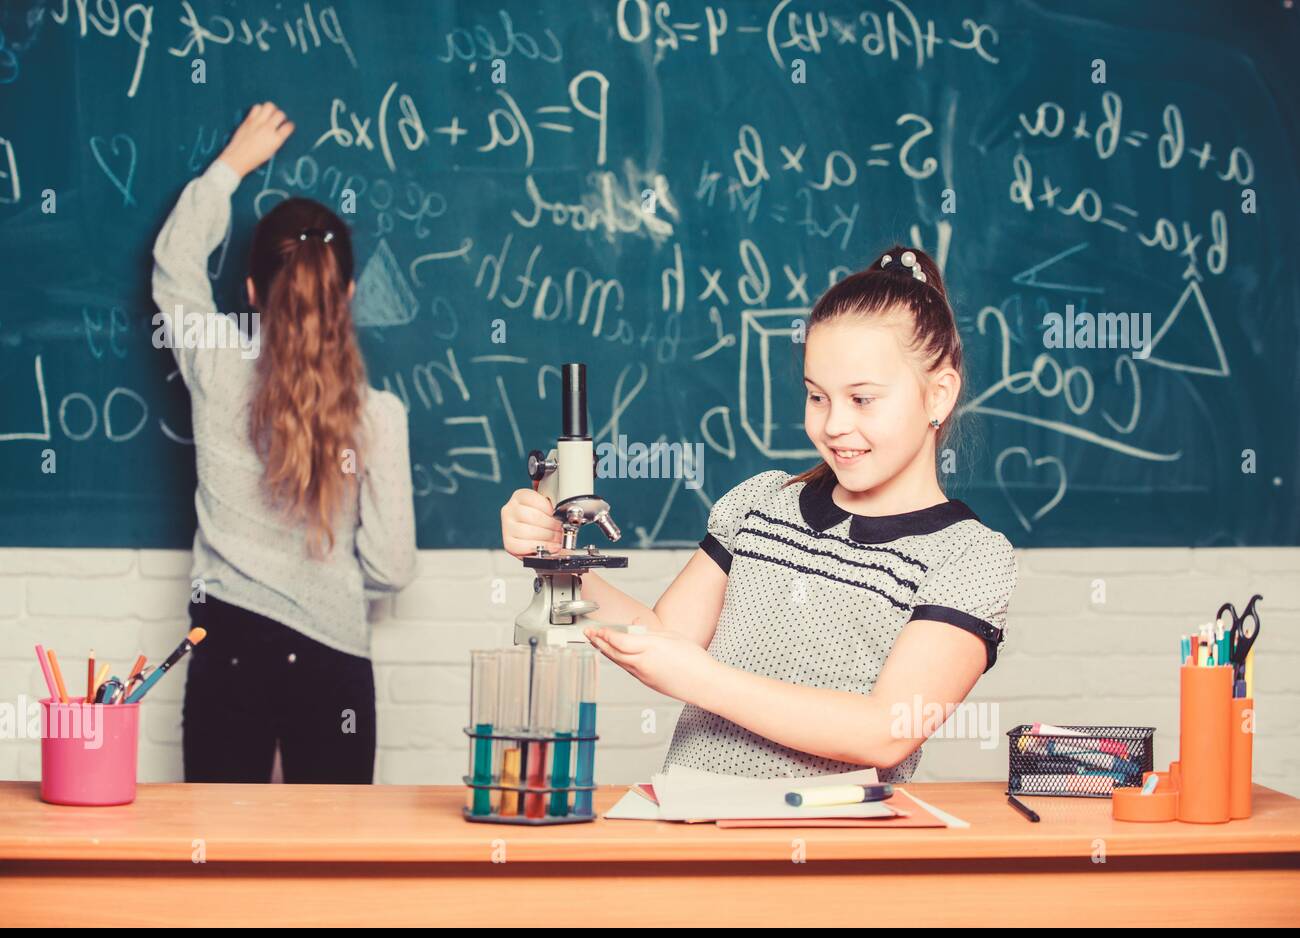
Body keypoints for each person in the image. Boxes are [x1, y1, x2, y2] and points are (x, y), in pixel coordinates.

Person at [500, 246, 1017, 781]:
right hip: (695, 825)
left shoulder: (970, 557)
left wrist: (700, 679)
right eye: (818, 397)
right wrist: (553, 557)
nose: (834, 424)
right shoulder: (761, 503)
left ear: (939, 394)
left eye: (862, 399)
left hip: (827, 850)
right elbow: (660, 637)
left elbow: (884, 731)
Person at [151, 102, 417, 783]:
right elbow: (390, 568)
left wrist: (230, 166)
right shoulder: (377, 415)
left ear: (248, 291)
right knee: (331, 879)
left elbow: (175, 266)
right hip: (334, 664)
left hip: (227, 650)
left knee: (214, 873)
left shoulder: (215, 366)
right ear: (348, 293)